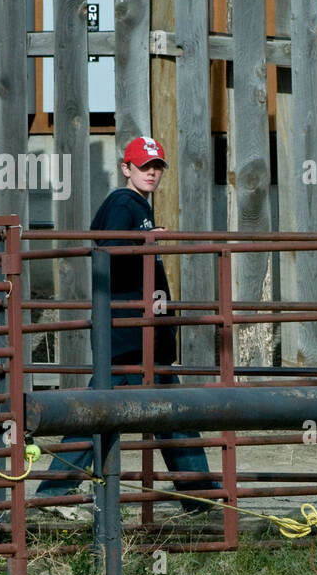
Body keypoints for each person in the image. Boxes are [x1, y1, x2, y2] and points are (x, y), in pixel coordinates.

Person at [34, 136, 219, 517]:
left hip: (139, 335)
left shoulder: (135, 206)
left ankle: (198, 492)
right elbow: (111, 248)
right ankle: (55, 492)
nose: (151, 173)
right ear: (126, 168)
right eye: (143, 166)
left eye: (157, 167)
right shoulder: (124, 202)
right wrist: (146, 239)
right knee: (110, 412)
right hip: (130, 335)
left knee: (162, 411)